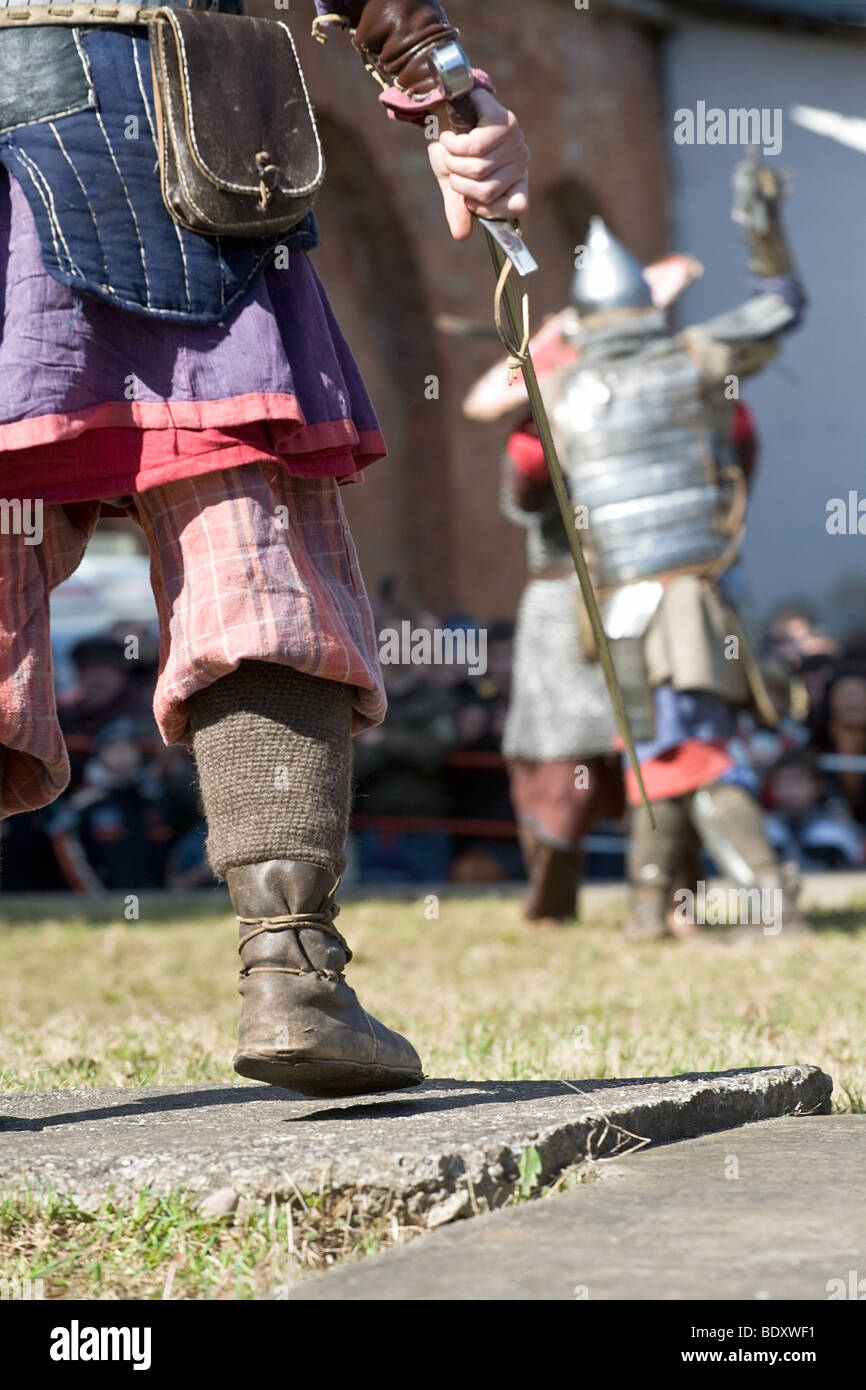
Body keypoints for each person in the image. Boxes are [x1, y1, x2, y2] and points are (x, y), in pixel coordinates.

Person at [0, 1, 530, 1096]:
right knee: (250, 548)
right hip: (161, 137)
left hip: (159, 135)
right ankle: (292, 971)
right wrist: (444, 83)